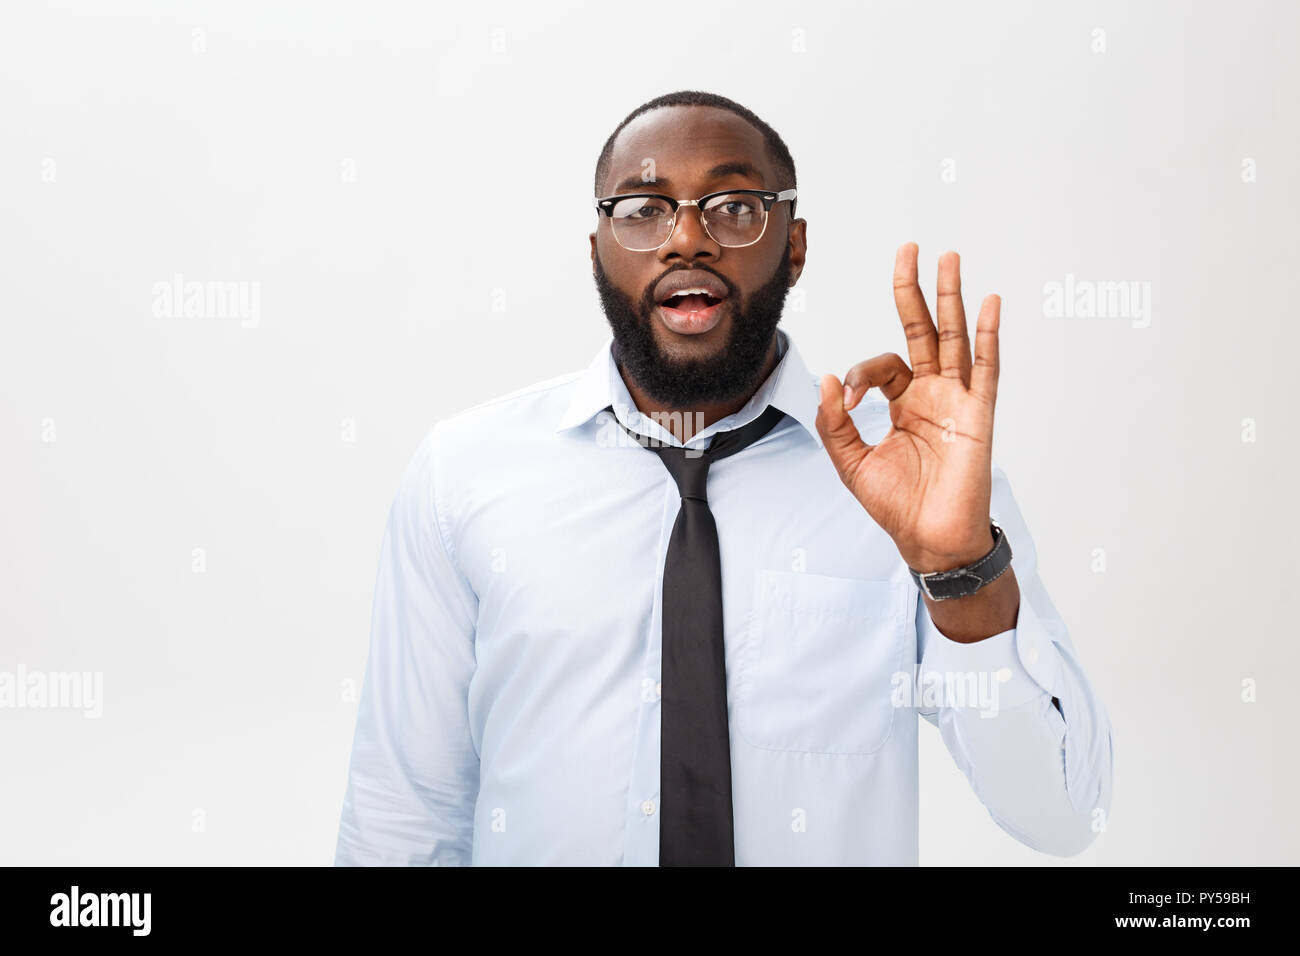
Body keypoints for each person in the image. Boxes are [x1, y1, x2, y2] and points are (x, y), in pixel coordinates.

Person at [334, 90, 1114, 866]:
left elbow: (1063, 815)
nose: (687, 239)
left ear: (794, 246)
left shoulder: (916, 481)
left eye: (735, 207)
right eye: (644, 209)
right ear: (598, 249)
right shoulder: (465, 473)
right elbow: (403, 820)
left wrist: (959, 570)